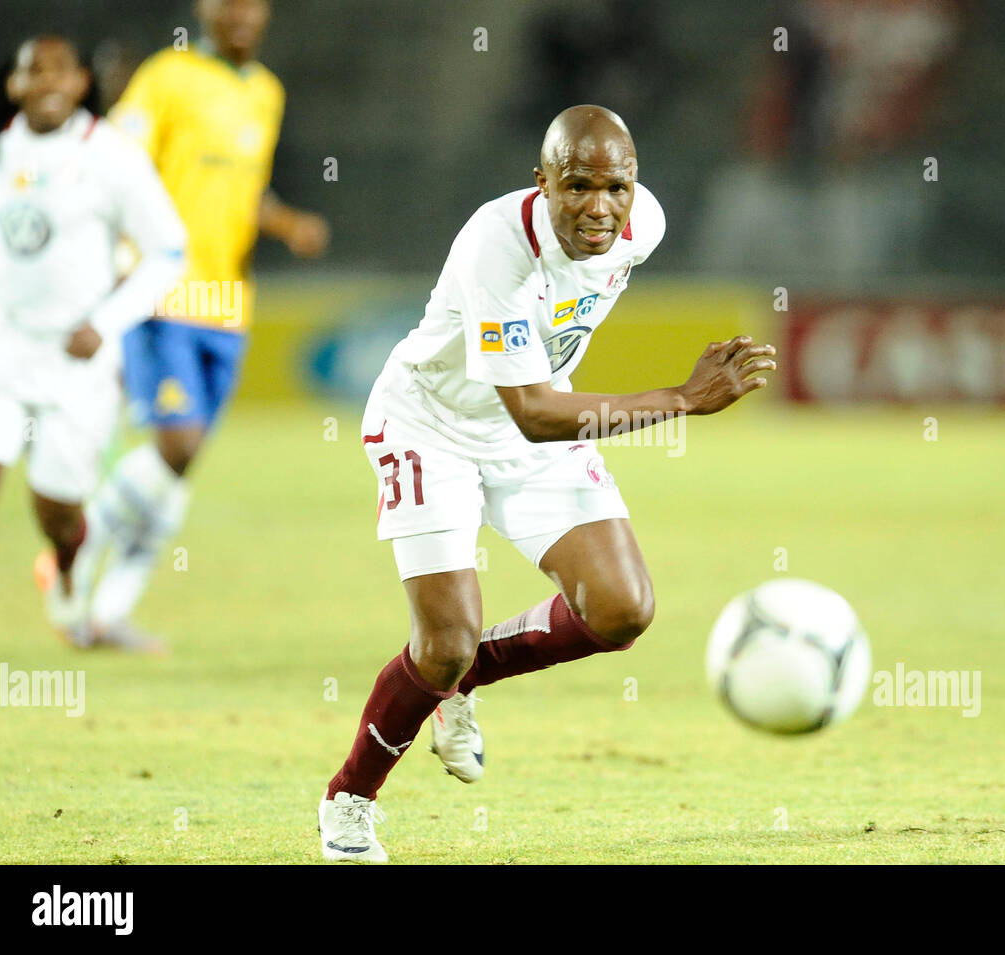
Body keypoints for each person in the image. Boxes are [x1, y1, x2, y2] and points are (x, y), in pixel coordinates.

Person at [318, 105, 777, 862]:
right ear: (541, 183)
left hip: (540, 426)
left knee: (623, 608)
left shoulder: (644, 224)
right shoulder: (495, 247)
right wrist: (681, 401)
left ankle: (462, 683)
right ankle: (348, 800)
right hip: (433, 426)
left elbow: (537, 406)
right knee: (441, 644)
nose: (599, 207)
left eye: (616, 187)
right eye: (577, 186)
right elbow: (532, 412)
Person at [71, 0, 329, 648]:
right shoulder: (166, 76)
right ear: (203, 11)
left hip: (227, 304)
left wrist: (287, 222)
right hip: (162, 292)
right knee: (176, 445)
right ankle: (72, 545)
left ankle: (107, 611)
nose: (239, 14)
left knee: (177, 469)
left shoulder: (265, 92)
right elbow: (113, 169)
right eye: (226, 3)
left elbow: (243, 193)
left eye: (251, 4)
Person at [0, 35, 185, 637]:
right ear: (13, 85)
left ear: (79, 84)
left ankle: (68, 570)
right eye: (31, 72)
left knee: (57, 510)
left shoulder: (111, 156)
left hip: (77, 361)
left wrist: (107, 323)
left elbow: (168, 251)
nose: (46, 82)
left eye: (59, 72)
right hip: (1, 348)